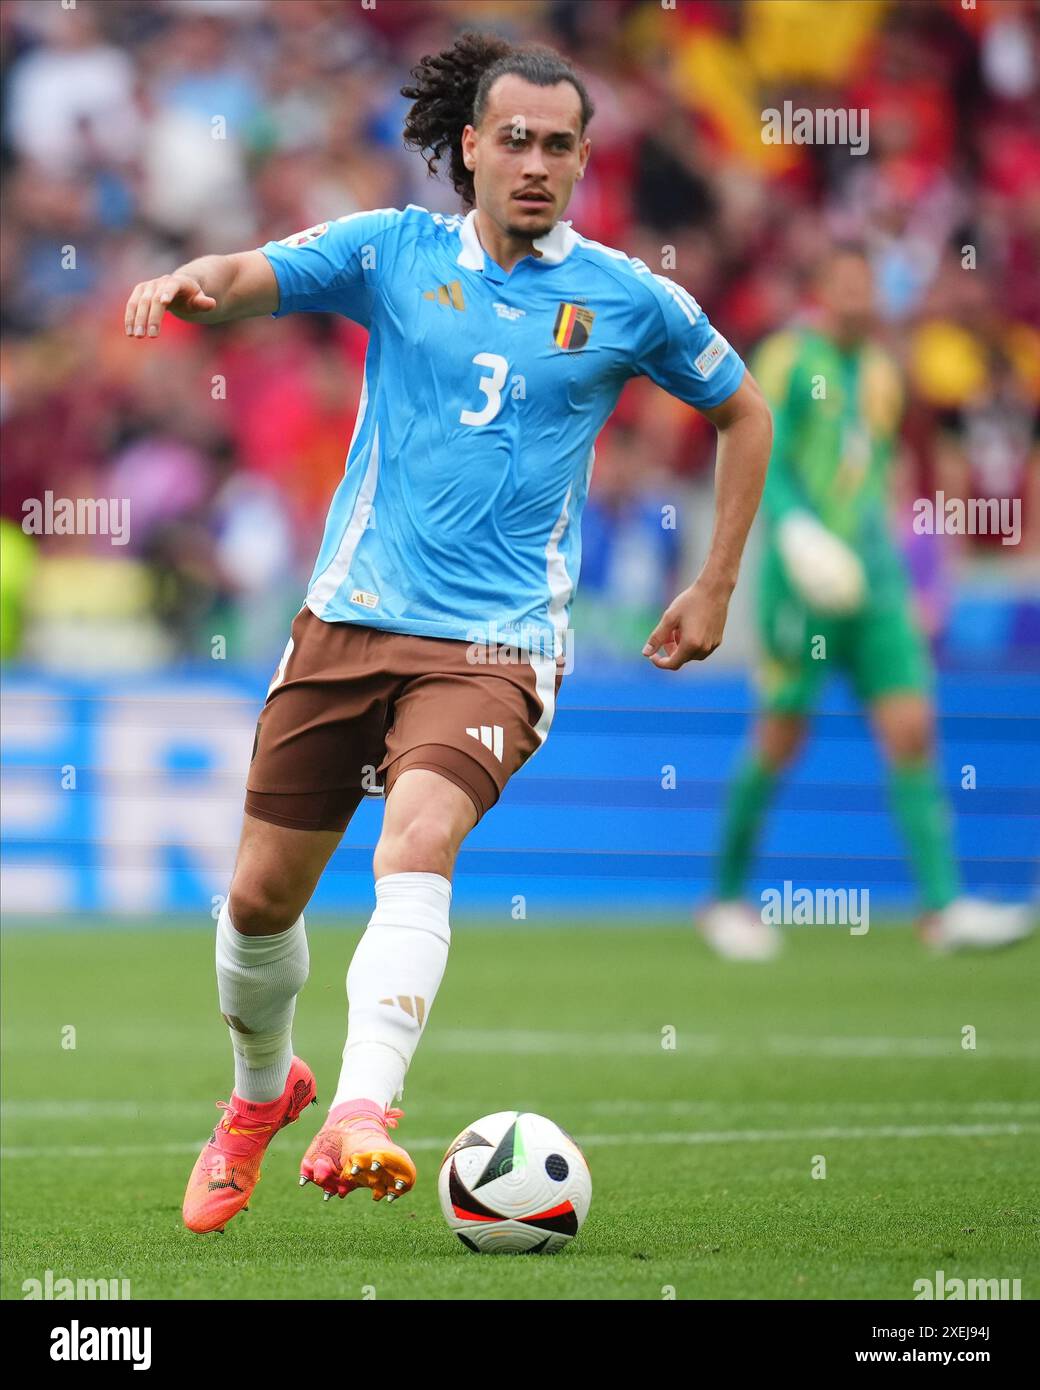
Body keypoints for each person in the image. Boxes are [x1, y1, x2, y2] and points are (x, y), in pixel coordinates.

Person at [123, 32, 771, 1234]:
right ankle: (261, 1098)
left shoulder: (626, 298)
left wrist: (713, 585)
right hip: (344, 621)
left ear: (583, 161)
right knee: (259, 903)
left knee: (417, 837)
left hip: (493, 645)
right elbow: (253, 271)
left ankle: (362, 1110)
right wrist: (195, 282)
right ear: (467, 149)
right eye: (512, 140)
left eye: (558, 145)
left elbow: (744, 411)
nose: (534, 163)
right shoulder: (388, 252)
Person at [701, 247, 1035, 962]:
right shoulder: (790, 359)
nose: (859, 298)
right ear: (822, 290)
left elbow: (881, 471)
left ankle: (944, 909)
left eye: (868, 286)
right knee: (780, 737)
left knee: (913, 727)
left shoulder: (884, 372)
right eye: (845, 285)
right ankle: (724, 901)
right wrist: (791, 528)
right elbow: (764, 448)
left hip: (874, 579)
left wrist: (921, 573)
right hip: (803, 580)